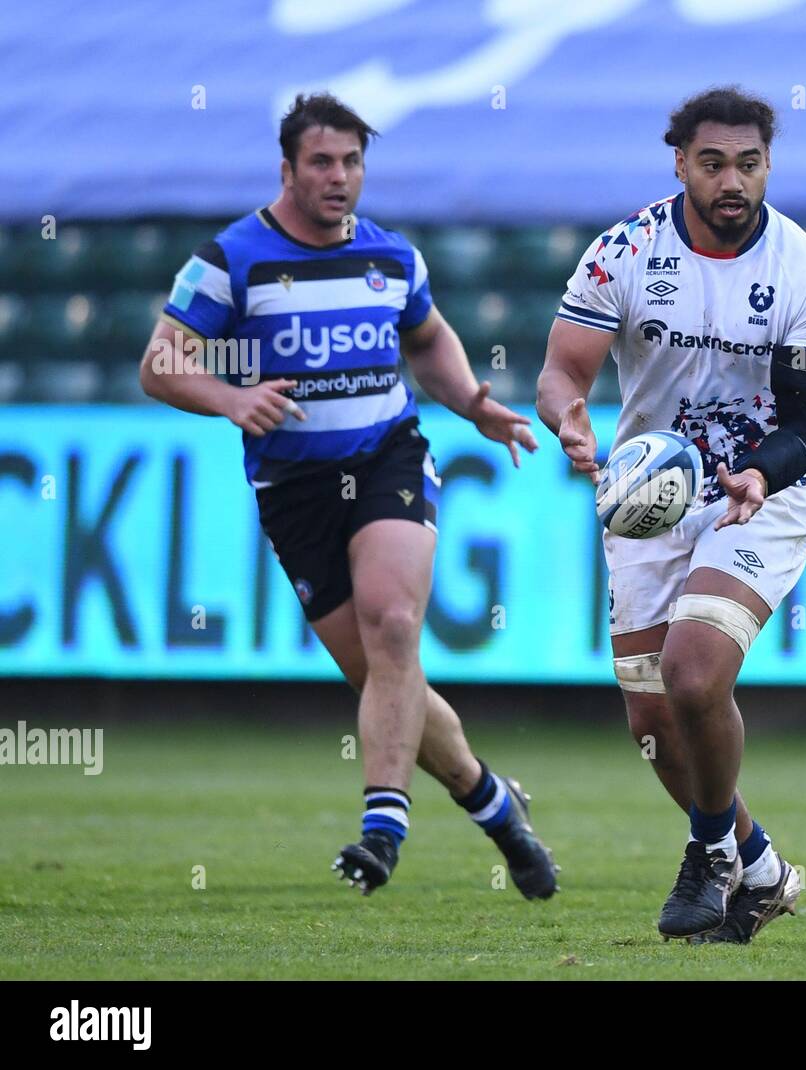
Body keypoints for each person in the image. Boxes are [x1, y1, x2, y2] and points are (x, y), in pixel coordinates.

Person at [139, 92, 557, 899]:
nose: (339, 177)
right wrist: (231, 398)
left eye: (353, 162)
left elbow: (428, 339)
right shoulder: (231, 259)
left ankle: (383, 829)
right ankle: (496, 806)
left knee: (394, 623)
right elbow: (159, 362)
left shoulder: (391, 257)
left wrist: (471, 403)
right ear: (287, 169)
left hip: (387, 459)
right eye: (322, 162)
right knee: (386, 679)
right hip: (294, 490)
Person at [536, 87, 806, 941]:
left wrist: (759, 476)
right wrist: (567, 418)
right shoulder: (624, 252)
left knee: (696, 674)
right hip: (649, 499)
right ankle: (763, 869)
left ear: (768, 166)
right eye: (713, 163)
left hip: (761, 496)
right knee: (651, 721)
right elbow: (562, 373)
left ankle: (709, 854)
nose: (732, 181)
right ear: (680, 164)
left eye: (749, 163)